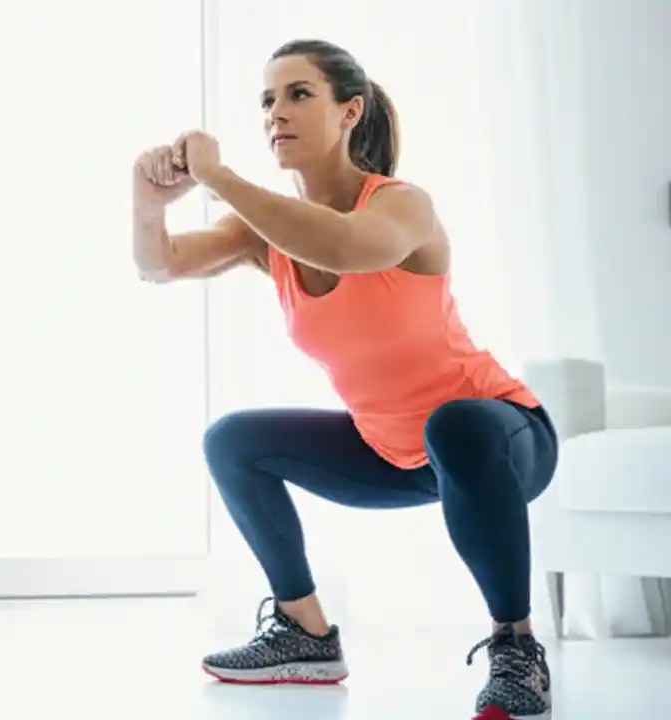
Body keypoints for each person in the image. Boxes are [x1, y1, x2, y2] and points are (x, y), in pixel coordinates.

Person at [131, 39, 557, 720]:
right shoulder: (261, 232)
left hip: (500, 440)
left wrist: (220, 178)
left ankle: (518, 650)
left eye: (298, 94)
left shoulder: (399, 206)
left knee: (456, 421)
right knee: (232, 441)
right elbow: (160, 265)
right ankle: (305, 633)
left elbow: (345, 247)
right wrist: (148, 200)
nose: (276, 112)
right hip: (392, 454)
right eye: (267, 99)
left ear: (350, 110)